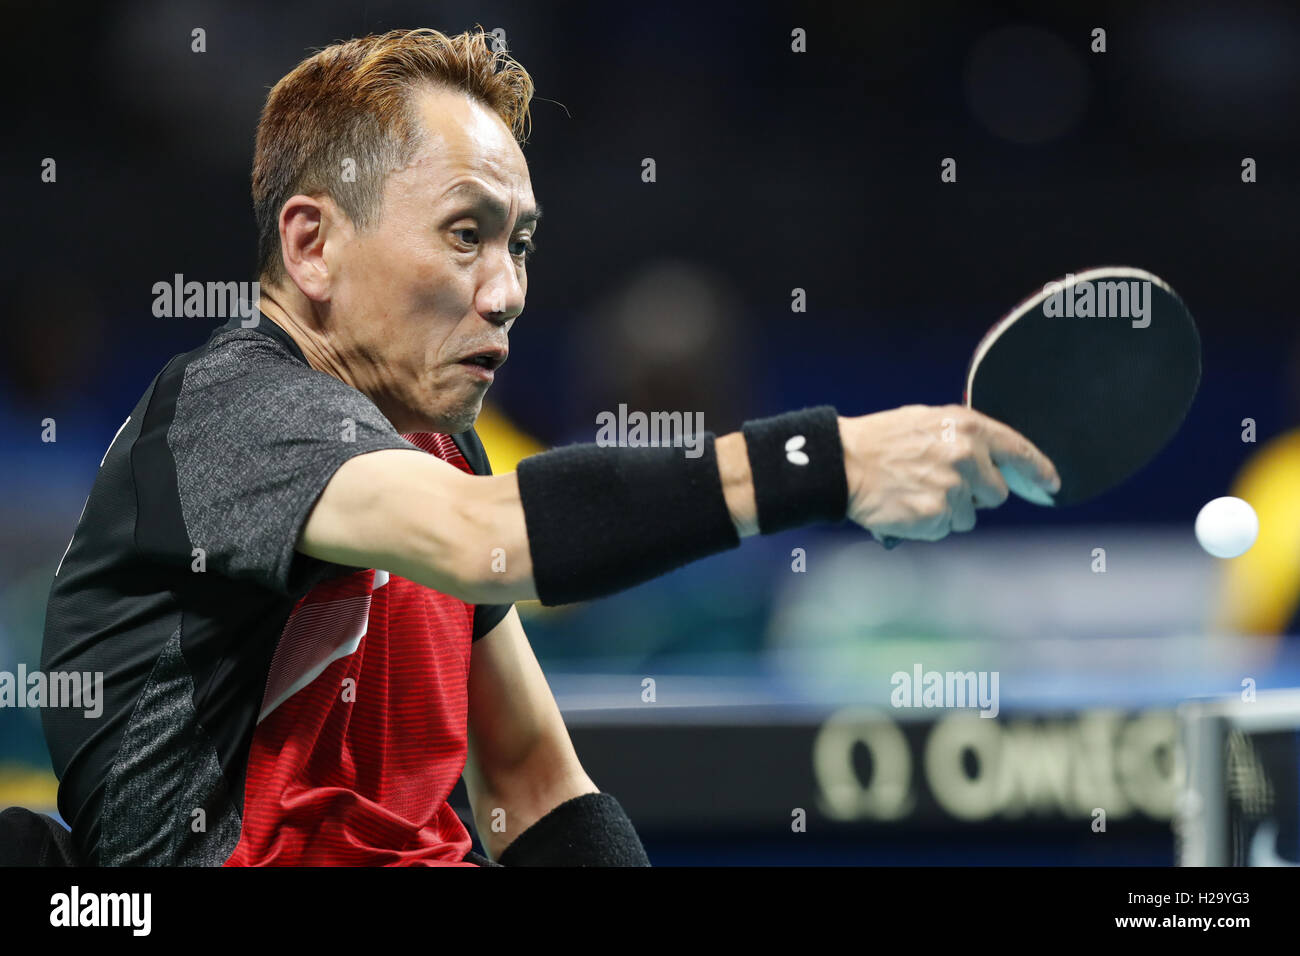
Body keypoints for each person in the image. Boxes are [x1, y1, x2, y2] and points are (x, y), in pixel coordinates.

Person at [40, 28, 1058, 867]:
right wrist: (824, 463)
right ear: (311, 244)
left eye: (518, 243)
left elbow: (531, 783)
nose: (507, 289)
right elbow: (494, 541)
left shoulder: (440, 457)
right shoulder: (231, 411)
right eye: (464, 233)